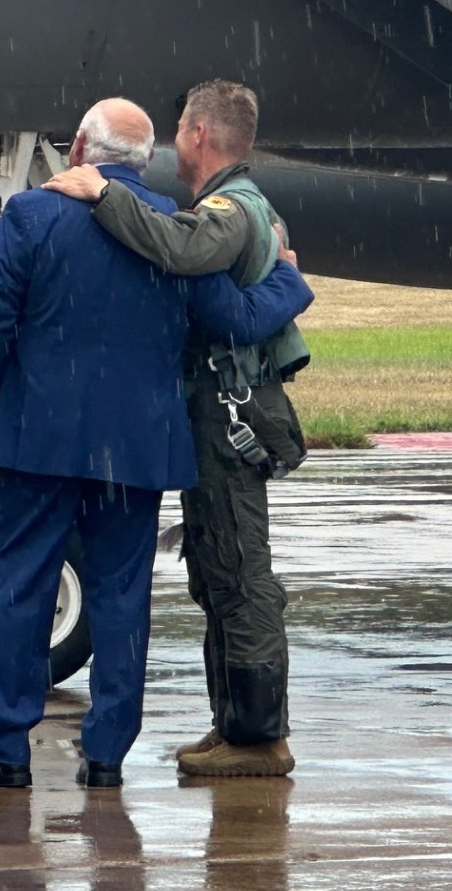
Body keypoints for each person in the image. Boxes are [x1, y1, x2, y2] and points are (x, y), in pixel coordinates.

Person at [0, 99, 313, 791]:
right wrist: (290, 279)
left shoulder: (30, 216)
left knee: (16, 587)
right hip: (137, 449)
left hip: (39, 442)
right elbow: (238, 317)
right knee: (120, 597)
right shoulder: (172, 230)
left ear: (79, 147)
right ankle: (106, 754)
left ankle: (4, 751)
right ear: (145, 163)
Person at [45, 80, 308, 778]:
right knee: (219, 567)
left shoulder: (229, 209)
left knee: (239, 573)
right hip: (218, 418)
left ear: (196, 135)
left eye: (179, 130)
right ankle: (236, 726)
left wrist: (102, 196)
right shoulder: (244, 206)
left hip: (228, 420)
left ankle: (257, 737)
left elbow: (179, 250)